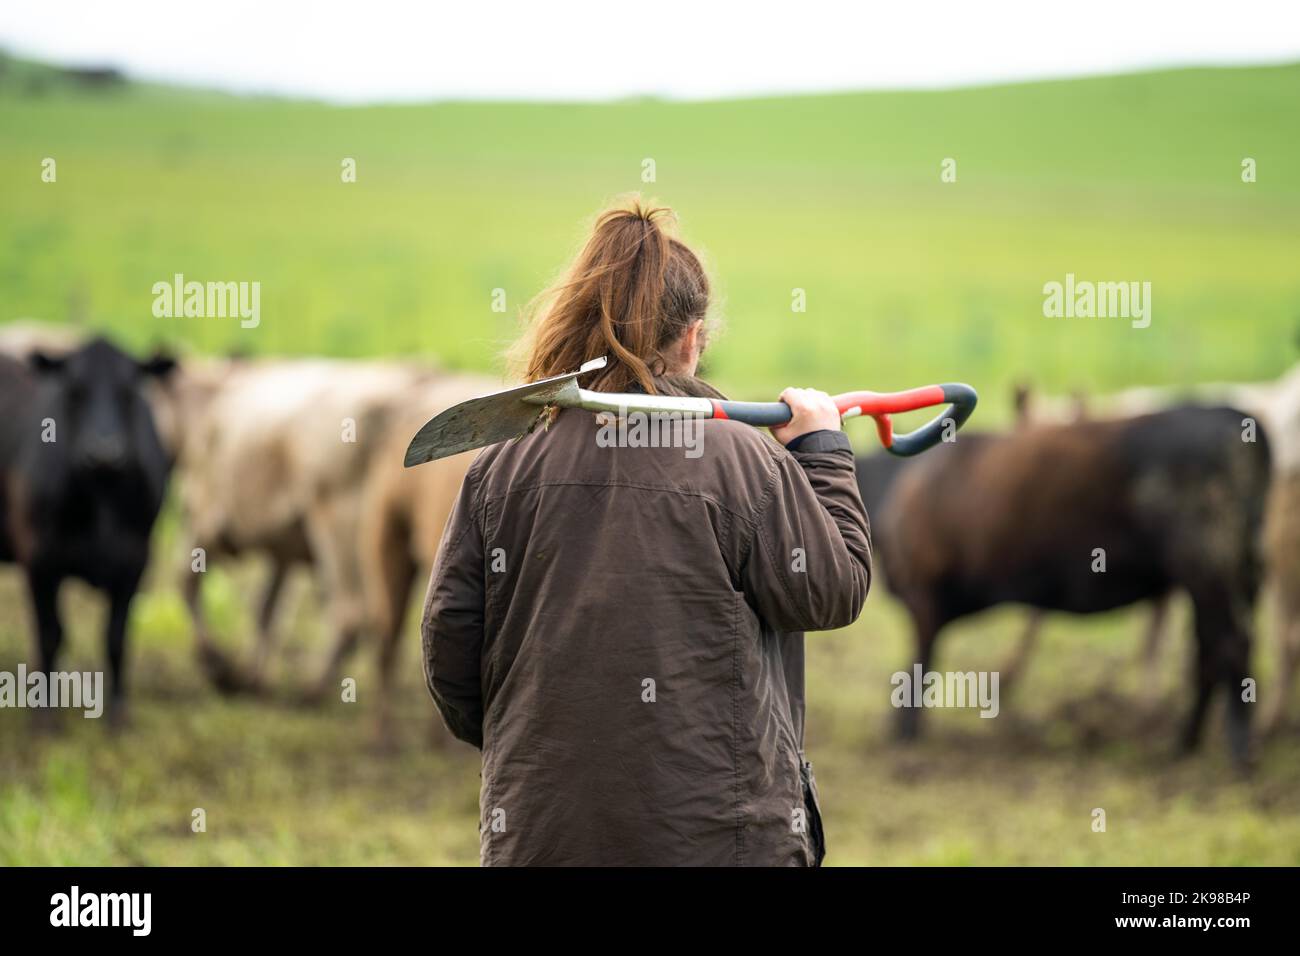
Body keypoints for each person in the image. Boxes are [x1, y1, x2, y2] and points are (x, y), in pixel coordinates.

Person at [421, 199, 871, 866]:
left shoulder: (501, 466)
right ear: (691, 339)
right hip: (725, 842)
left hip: (540, 838)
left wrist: (539, 753)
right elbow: (832, 590)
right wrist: (824, 452)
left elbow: (449, 649)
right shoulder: (744, 461)